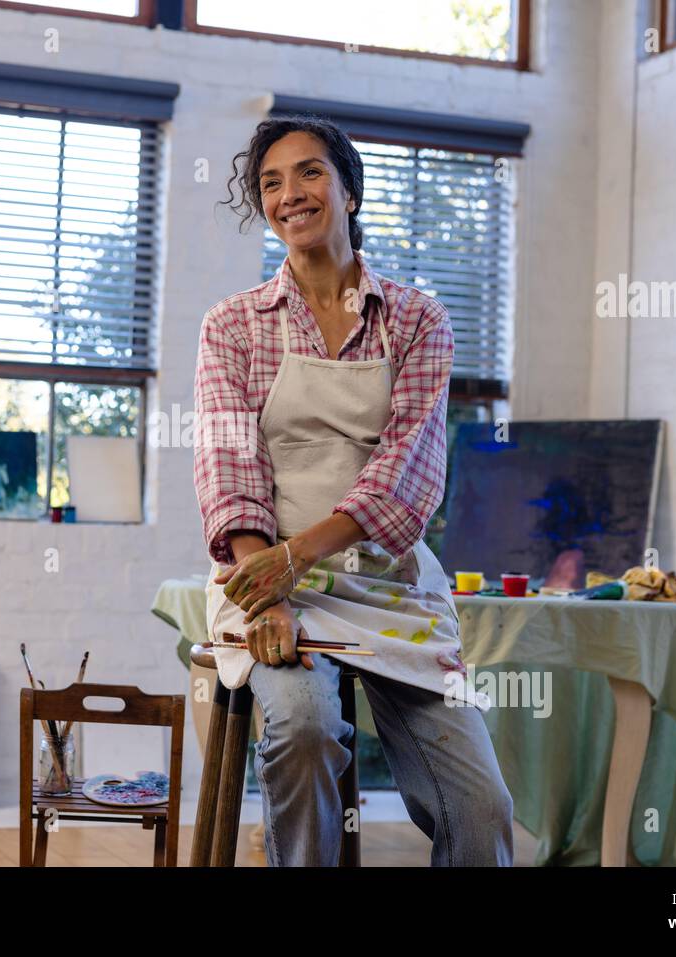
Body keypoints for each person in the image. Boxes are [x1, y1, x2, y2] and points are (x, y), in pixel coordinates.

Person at [193, 114, 514, 867]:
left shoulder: (415, 319)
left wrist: (296, 555)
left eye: (308, 173)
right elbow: (227, 463)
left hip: (388, 587)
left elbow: (409, 472)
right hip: (270, 592)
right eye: (270, 183)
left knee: (481, 804)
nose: (289, 194)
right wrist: (266, 587)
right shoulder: (234, 325)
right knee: (304, 732)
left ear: (349, 189)